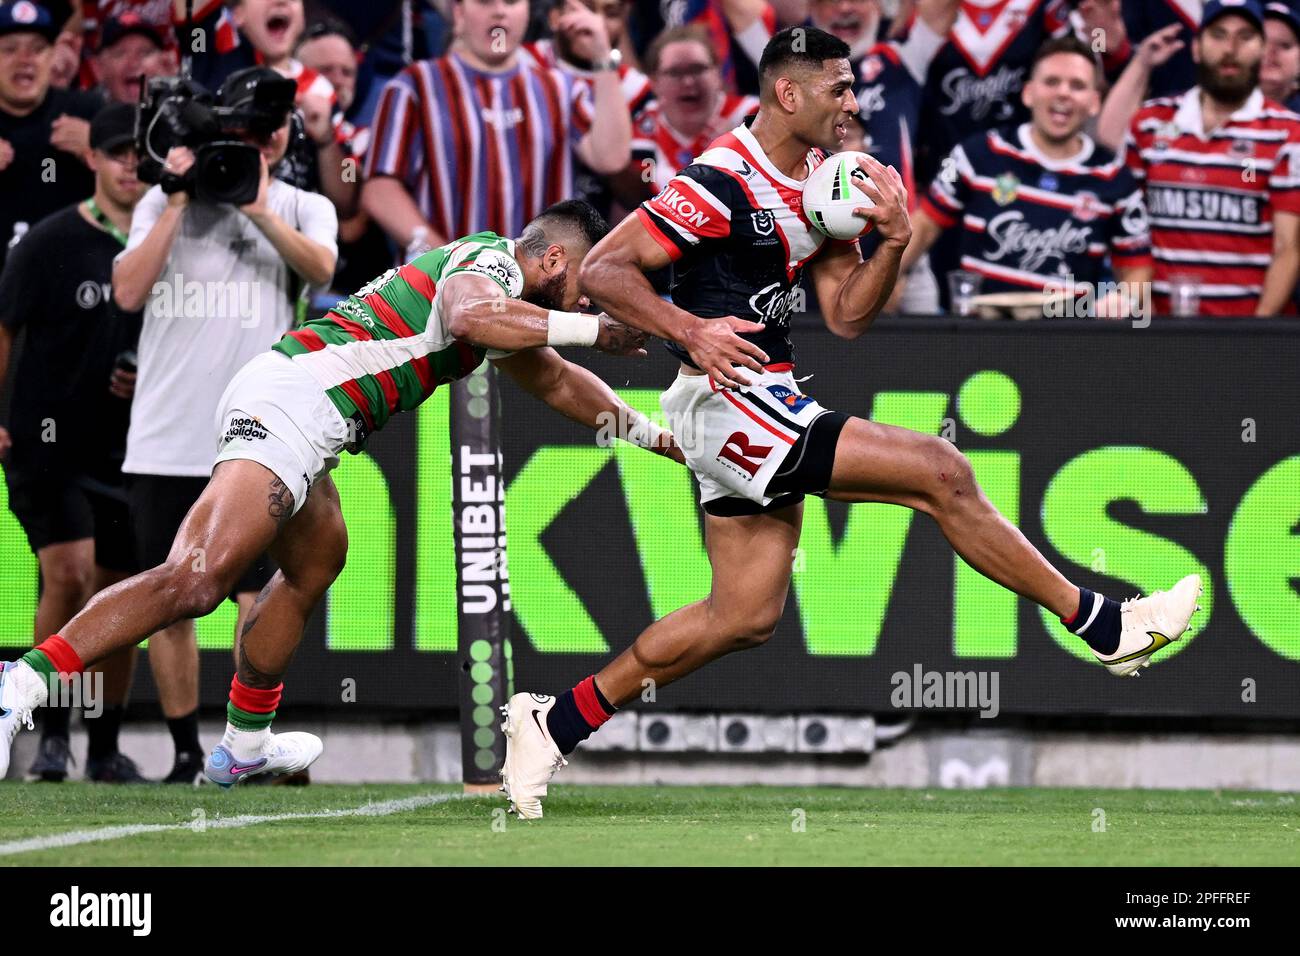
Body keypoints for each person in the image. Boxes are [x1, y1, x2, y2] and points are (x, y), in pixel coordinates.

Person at [498, 26, 1204, 820]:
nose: (853, 102)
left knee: (743, 616)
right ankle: (1107, 624)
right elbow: (603, 270)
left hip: (759, 397)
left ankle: (553, 720)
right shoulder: (718, 181)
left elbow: (846, 316)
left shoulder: (821, 181)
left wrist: (894, 240)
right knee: (942, 471)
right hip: (725, 398)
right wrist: (688, 328)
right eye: (838, 88)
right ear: (787, 94)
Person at [0, 200, 681, 785]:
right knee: (197, 580)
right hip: (291, 402)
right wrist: (595, 329)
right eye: (590, 284)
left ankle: (243, 746)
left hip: (309, 412)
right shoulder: (490, 263)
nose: (595, 300)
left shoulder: (511, 307)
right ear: (556, 259)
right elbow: (470, 318)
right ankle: (18, 687)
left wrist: (654, 437)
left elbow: (558, 382)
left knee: (318, 558)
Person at [110, 65, 337, 783]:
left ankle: (245, 742)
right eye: (232, 139)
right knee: (172, 598)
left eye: (256, 140)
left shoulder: (302, 205)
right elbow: (126, 290)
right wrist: (177, 197)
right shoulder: (161, 201)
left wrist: (259, 206)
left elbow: (324, 269)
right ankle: (183, 751)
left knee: (256, 593)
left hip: (257, 440)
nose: (241, 151)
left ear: (277, 142)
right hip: (164, 432)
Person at [0, 102, 146, 782]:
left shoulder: (166, 244)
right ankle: (51, 733)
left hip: (132, 445)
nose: (129, 165)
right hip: (45, 436)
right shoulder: (50, 242)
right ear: (92, 158)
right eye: (117, 152)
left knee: (120, 594)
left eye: (140, 153)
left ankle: (105, 743)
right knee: (68, 573)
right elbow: (5, 329)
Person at [896, 35, 1154, 312]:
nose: (1063, 93)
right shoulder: (976, 154)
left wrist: (1123, 300)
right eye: (1052, 82)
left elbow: (1137, 268)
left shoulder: (1116, 179)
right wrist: (884, 278)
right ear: (1028, 92)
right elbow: (923, 227)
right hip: (979, 335)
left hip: (1068, 342)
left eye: (1077, 85)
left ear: (1094, 102)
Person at [362, 0, 631, 261]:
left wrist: (602, 56)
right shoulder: (414, 86)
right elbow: (380, 189)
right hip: (439, 293)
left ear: (527, 13)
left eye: (512, 2)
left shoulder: (561, 88)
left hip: (537, 292)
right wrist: (444, 259)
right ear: (458, 13)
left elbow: (610, 158)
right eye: (485, 1)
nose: (500, 11)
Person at [1122, 0, 1300, 315]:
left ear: (1261, 50)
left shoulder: (1289, 133)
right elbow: (1131, 235)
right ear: (1196, 47)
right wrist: (1141, 318)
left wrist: (1254, 338)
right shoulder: (1150, 123)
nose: (1230, 49)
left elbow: (1289, 248)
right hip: (1160, 330)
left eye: (1245, 37)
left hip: (1249, 335)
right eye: (1218, 35)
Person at [0, 1, 103, 272]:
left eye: (38, 49)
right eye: (10, 49)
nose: (25, 60)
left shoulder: (88, 112)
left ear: (53, 55)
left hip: (72, 282)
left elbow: (138, 189)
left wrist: (100, 151)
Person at [614, 25, 758, 202]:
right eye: (675, 72)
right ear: (654, 82)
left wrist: (742, 149)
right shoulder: (644, 126)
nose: (688, 81)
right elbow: (645, 192)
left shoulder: (751, 115)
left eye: (698, 69)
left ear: (718, 74)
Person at [87, 11, 175, 104]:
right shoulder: (82, 114)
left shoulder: (183, 113)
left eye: (145, 53)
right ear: (98, 68)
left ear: (163, 63)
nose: (134, 64)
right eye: (120, 54)